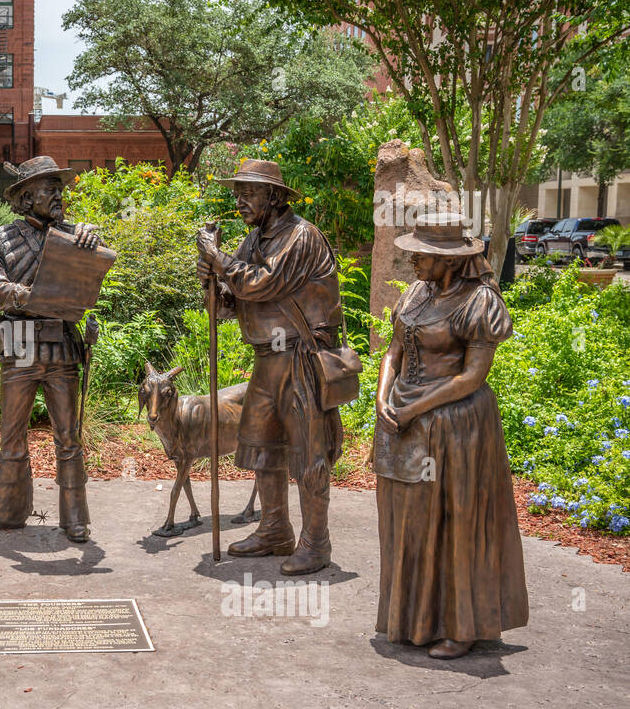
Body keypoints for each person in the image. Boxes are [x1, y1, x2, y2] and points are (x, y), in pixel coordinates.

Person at [373, 212, 528, 659]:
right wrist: (385, 398)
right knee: (408, 520)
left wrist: (415, 406)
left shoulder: (479, 302)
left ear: (449, 260)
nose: (413, 262)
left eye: (421, 256)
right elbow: (394, 351)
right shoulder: (417, 294)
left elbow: (471, 378)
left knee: (456, 521)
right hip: (405, 420)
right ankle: (414, 619)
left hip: (457, 424)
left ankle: (461, 625)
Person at [196, 159, 344, 576]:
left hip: (301, 357)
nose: (240, 201)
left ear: (274, 197)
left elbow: (263, 283)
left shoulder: (301, 236)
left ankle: (316, 542)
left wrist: (218, 258)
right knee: (264, 448)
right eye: (237, 193)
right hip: (267, 358)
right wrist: (211, 281)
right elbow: (233, 298)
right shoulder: (252, 240)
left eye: (250, 193)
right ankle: (275, 528)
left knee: (308, 452)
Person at [0, 157, 101, 543]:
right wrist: (34, 294)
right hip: (19, 350)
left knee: (68, 436)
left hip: (61, 350)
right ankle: (6, 513)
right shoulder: (1, 241)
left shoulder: (77, 236)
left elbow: (93, 273)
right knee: (12, 436)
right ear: (26, 198)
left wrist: (92, 235)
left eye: (60, 188)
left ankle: (75, 517)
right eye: (49, 188)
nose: (58, 194)